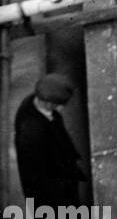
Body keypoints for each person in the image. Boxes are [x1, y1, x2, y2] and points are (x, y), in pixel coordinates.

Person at [14, 74, 87, 207]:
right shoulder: (31, 133)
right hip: (52, 192)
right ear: (48, 103)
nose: (62, 108)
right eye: (59, 104)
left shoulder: (32, 102)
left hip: (59, 174)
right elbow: (38, 176)